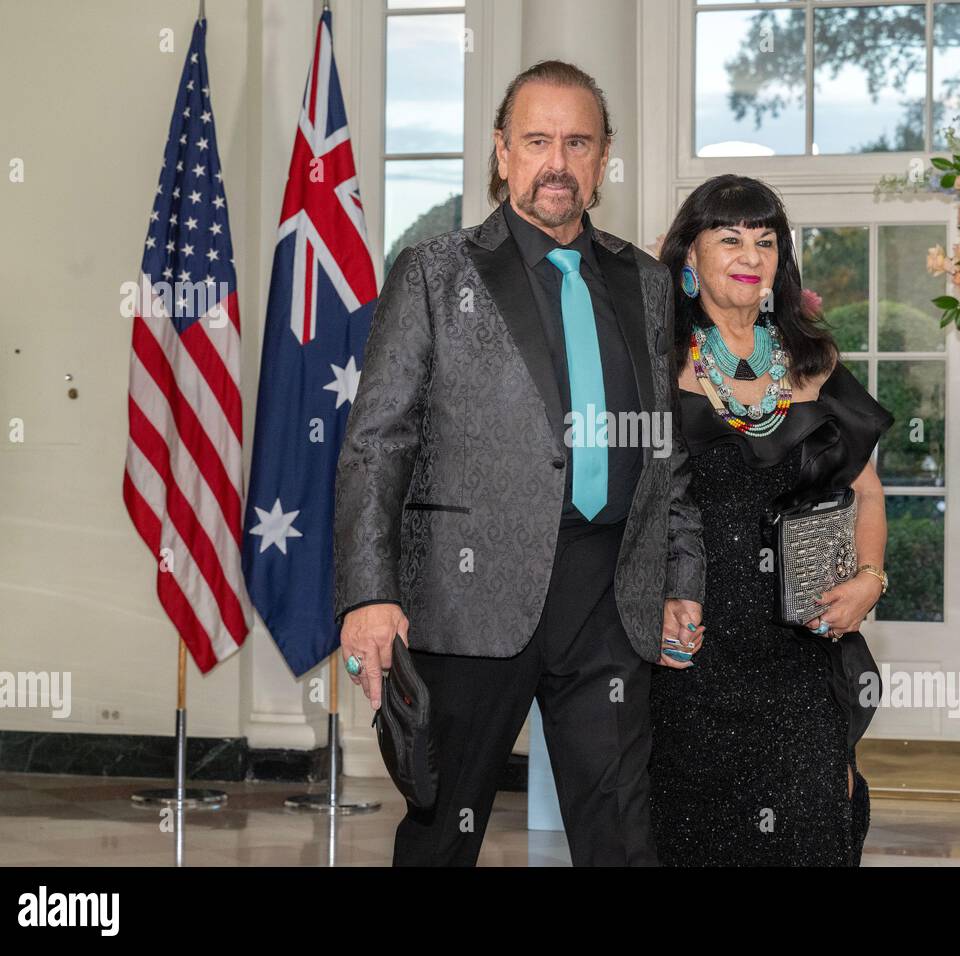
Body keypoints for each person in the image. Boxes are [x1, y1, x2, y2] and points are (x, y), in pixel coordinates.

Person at [332, 60, 706, 866]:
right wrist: (369, 594)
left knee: (623, 836)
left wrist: (681, 576)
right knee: (441, 831)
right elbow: (377, 443)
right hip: (469, 603)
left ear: (605, 158)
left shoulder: (644, 283)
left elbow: (662, 447)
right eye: (537, 140)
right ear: (501, 152)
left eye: (578, 142)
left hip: (609, 598)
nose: (557, 163)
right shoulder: (434, 273)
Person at [648, 174, 894, 866]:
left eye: (765, 239)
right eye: (728, 237)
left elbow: (868, 494)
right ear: (688, 257)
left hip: (801, 657)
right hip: (688, 660)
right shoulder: (654, 367)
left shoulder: (814, 363)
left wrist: (869, 580)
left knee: (813, 834)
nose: (749, 253)